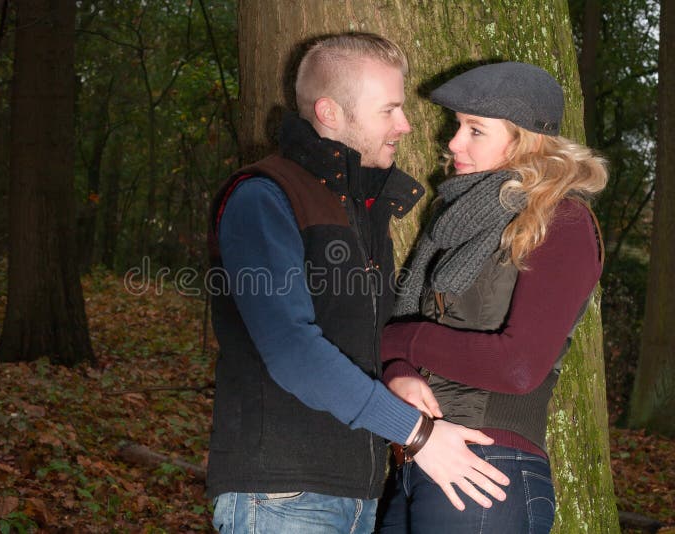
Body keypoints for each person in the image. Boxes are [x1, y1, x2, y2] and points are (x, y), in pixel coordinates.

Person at [206, 33, 510, 533]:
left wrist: (397, 374)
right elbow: (293, 349)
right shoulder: (263, 197)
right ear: (329, 112)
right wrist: (417, 435)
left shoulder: (364, 209)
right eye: (389, 109)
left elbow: (360, 338)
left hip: (359, 494)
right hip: (280, 494)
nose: (405, 125)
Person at [377, 61, 608, 533]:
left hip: (488, 472)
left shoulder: (561, 222)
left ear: (526, 141)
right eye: (458, 126)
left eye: (474, 130)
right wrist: (399, 371)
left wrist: (404, 343)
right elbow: (398, 329)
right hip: (416, 461)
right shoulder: (453, 223)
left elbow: (517, 366)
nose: (453, 143)